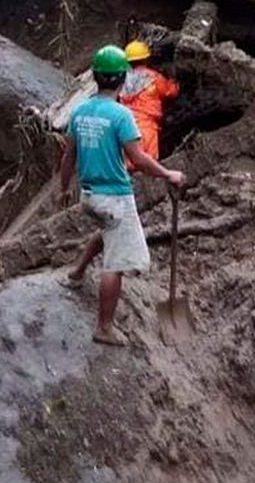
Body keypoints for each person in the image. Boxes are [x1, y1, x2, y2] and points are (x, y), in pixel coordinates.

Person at [59, 44, 185, 346]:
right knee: (116, 263)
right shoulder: (121, 115)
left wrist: (64, 188)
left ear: (97, 77)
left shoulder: (80, 112)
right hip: (114, 195)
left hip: (89, 195)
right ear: (120, 79)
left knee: (109, 230)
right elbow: (139, 159)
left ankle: (76, 272)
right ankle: (104, 327)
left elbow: (67, 157)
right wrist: (169, 174)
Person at [119, 39, 180, 161]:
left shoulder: (122, 80)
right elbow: (171, 91)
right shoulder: (154, 78)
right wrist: (174, 80)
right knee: (149, 165)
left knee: (127, 166)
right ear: (147, 59)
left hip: (125, 127)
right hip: (146, 127)